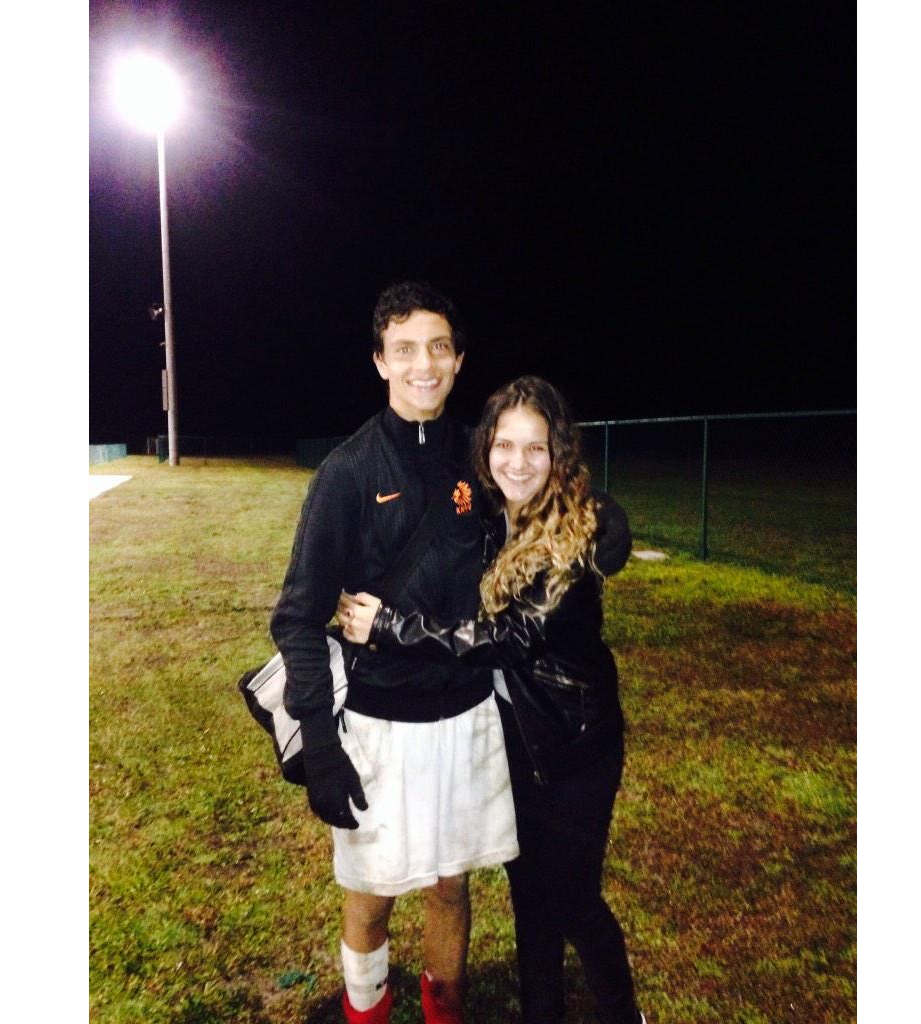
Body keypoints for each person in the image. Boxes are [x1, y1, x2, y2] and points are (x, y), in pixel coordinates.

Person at [339, 375, 646, 1024]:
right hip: (513, 744)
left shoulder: (570, 537)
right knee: (530, 900)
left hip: (573, 748)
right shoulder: (491, 514)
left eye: (536, 448)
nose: (519, 462)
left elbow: (507, 639)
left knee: (573, 901)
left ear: (558, 454)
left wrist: (390, 627)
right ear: (486, 450)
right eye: (505, 445)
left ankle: (624, 1014)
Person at [270, 282, 518, 1024]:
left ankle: (445, 1011)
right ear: (380, 361)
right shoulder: (347, 472)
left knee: (450, 886)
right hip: (379, 724)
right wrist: (320, 745)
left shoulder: (483, 456)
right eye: (404, 349)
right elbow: (298, 617)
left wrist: (607, 525)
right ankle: (365, 1010)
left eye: (438, 348)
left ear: (459, 359)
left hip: (467, 713)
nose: (423, 365)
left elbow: (551, 497)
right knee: (372, 895)